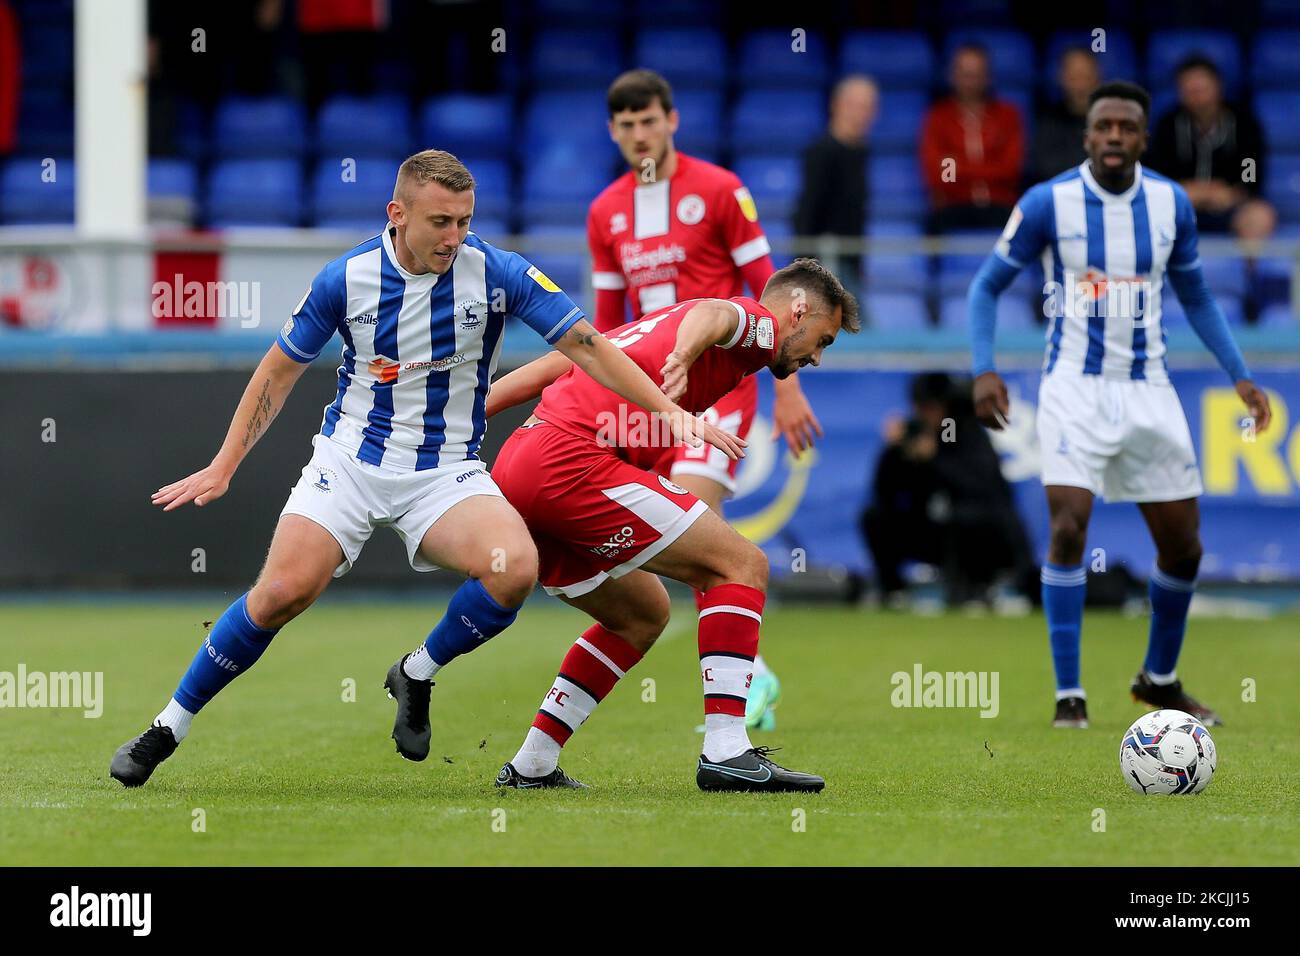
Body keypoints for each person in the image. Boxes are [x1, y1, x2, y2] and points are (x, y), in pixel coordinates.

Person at [109, 149, 743, 788]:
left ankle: (416, 671)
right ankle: (169, 724)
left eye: (465, 221)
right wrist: (224, 465)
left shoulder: (498, 274)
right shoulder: (346, 279)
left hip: (444, 472)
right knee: (281, 594)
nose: (455, 237)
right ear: (397, 213)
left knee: (513, 569)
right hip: (349, 462)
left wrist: (671, 411)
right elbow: (277, 372)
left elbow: (588, 347)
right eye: (441, 221)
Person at [485, 259, 860, 791]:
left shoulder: (655, 322)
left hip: (522, 461)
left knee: (641, 614)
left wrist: (476, 411)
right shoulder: (759, 325)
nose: (815, 358)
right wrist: (684, 358)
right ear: (798, 311)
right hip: (573, 462)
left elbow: (556, 364)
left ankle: (532, 764)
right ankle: (727, 750)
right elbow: (714, 313)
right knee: (741, 564)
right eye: (821, 340)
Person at [967, 81, 1272, 729]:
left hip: (1148, 392)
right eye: (1102, 126)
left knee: (1184, 549)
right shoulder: (1048, 202)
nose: (1113, 137)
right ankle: (1069, 693)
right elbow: (985, 287)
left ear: (1142, 138)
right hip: (1073, 388)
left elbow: (1196, 297)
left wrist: (1240, 374)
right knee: (1070, 525)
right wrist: (983, 368)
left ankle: (1158, 680)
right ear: (1087, 136)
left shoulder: (1169, 204)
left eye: (1125, 128)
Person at [587, 68, 825, 731]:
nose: (639, 135)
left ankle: (741, 692)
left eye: (649, 121)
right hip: (647, 391)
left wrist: (788, 386)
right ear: (613, 132)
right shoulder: (606, 210)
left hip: (721, 385)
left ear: (673, 120)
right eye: (626, 125)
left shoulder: (720, 191)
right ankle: (755, 674)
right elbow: (607, 322)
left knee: (695, 517)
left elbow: (772, 295)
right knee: (697, 545)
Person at [860, 371, 1036, 609]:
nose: (926, 414)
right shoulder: (914, 432)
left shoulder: (965, 430)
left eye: (931, 408)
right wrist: (893, 451)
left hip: (981, 535)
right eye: (921, 408)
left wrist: (934, 459)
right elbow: (883, 493)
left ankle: (974, 587)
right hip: (933, 532)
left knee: (966, 518)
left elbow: (982, 490)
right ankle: (892, 590)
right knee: (873, 517)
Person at [1149, 55, 1275, 240]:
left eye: (1202, 88)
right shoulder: (1167, 124)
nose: (1197, 95)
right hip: (1180, 207)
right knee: (1146, 214)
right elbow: (1156, 174)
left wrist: (1233, 193)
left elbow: (1252, 171)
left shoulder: (1245, 123)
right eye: (1190, 89)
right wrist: (1187, 191)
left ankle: (1250, 269)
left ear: (1218, 87)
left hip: (1230, 207)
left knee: (1260, 215)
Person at [920, 44, 1025, 233]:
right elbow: (941, 175)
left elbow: (1010, 170)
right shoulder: (938, 118)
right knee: (932, 227)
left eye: (976, 74)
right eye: (964, 73)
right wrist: (990, 167)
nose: (970, 81)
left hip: (999, 205)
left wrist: (959, 166)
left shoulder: (1008, 116)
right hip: (952, 206)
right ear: (952, 75)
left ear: (988, 76)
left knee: (1024, 229)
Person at [794, 74, 878, 298]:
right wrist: (807, 268)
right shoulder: (822, 152)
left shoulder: (861, 152)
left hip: (849, 258)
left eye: (868, 107)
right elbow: (807, 210)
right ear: (836, 105)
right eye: (856, 106)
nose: (862, 115)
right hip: (825, 260)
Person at [1032, 48, 1100, 181]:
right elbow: (1045, 168)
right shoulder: (1048, 121)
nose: (1081, 86)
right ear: (1062, 79)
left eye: (1086, 77)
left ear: (1098, 78)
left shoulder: (1112, 121)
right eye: (1074, 78)